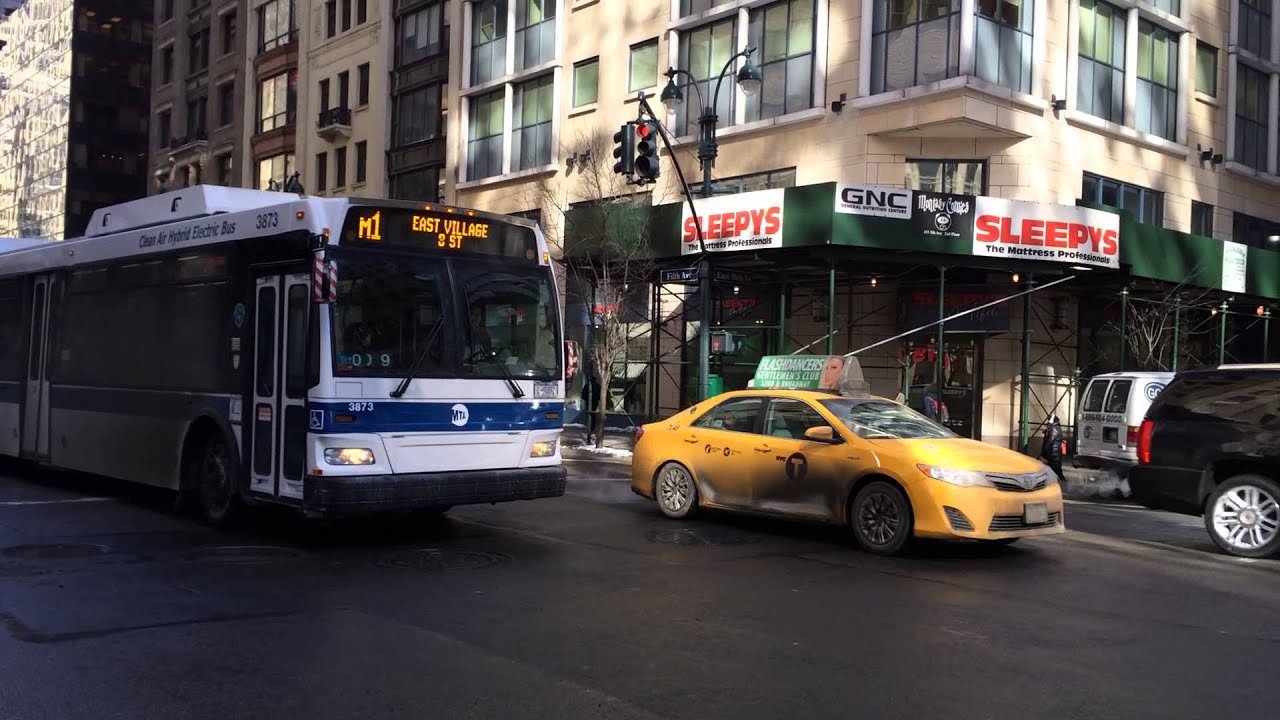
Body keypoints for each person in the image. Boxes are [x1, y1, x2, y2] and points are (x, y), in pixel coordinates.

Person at [1039, 414, 1066, 483]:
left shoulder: (1053, 428)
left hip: (1053, 452)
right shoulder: (1056, 427)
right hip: (1055, 452)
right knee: (1057, 467)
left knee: (1053, 467)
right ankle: (1060, 479)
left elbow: (1050, 440)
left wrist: (1044, 450)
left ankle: (1056, 481)